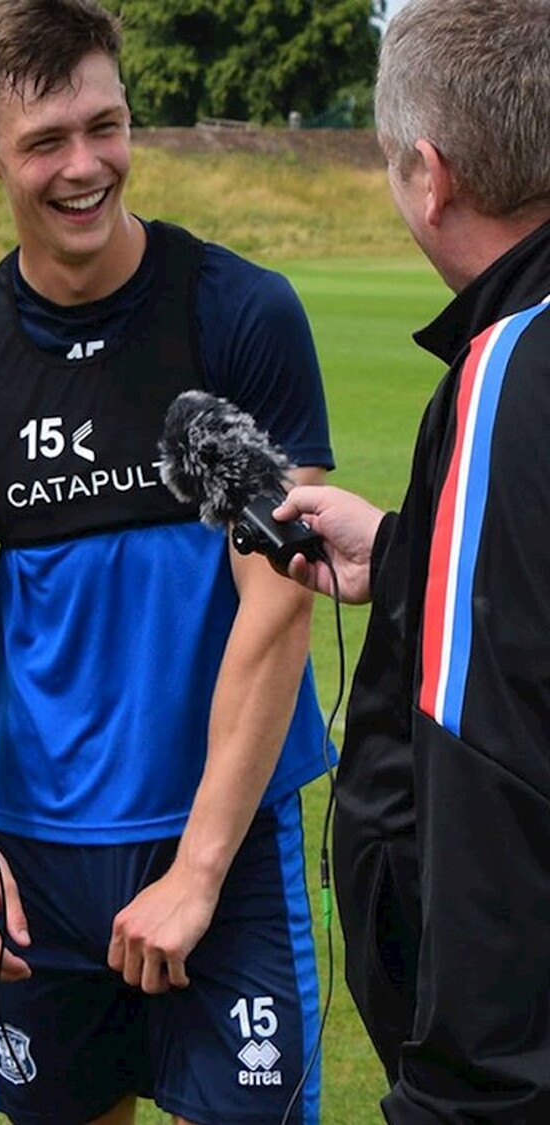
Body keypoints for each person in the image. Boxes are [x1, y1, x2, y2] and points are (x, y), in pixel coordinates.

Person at [0, 1, 336, 1121]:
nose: (85, 166)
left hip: (223, 843)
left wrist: (194, 871)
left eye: (105, 125)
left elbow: (276, 600)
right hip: (38, 852)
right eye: (44, 141)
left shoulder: (236, 312)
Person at [275, 0, 550, 1117]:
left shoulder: (508, 366)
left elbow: (491, 769)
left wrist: (453, 1100)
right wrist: (402, 557)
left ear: (428, 176)